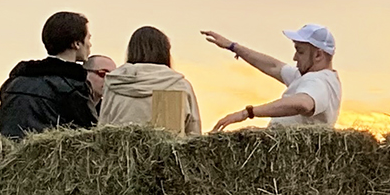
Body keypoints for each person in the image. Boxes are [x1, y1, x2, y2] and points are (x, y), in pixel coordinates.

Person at [202, 22, 342, 132]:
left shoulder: (320, 81)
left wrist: (248, 112)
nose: (295, 57)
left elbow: (303, 103)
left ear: (318, 55)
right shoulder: (307, 76)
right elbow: (273, 66)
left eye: (300, 51)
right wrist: (233, 46)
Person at [0, 10, 99, 139]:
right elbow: (90, 134)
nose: (90, 44)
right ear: (76, 43)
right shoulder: (74, 88)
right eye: (88, 38)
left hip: (9, 150)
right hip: (50, 151)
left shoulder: (15, 82)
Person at [96, 27, 203, 133]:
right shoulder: (180, 85)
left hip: (120, 144)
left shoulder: (115, 83)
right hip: (168, 144)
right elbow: (193, 131)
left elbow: (103, 127)